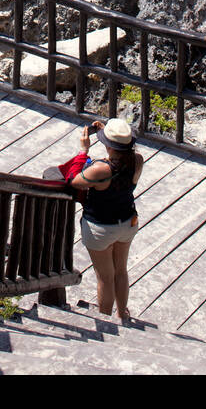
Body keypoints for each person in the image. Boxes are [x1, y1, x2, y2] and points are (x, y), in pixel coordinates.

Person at [67, 118, 143, 321]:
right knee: (121, 271)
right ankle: (122, 313)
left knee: (105, 277)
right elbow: (121, 161)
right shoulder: (137, 160)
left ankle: (106, 320)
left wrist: (83, 151)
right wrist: (107, 135)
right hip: (127, 222)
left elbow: (74, 181)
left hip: (100, 227)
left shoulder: (101, 170)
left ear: (108, 145)